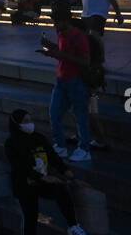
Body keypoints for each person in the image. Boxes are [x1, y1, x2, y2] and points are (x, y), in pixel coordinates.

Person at [4, 109, 92, 235]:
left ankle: (73, 226)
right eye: (25, 121)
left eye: (30, 119)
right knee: (30, 216)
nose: (29, 123)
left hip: (42, 180)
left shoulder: (39, 138)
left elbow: (52, 156)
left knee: (60, 190)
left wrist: (65, 171)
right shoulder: (11, 143)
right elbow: (19, 167)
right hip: (24, 185)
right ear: (16, 124)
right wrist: (42, 177)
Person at [40, 17, 93, 162]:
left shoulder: (78, 36)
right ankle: (60, 145)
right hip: (61, 79)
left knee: (80, 115)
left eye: (57, 20)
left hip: (76, 80)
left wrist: (59, 55)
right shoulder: (61, 34)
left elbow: (85, 61)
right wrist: (50, 48)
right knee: (54, 112)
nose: (54, 24)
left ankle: (84, 149)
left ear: (65, 20)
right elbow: (62, 53)